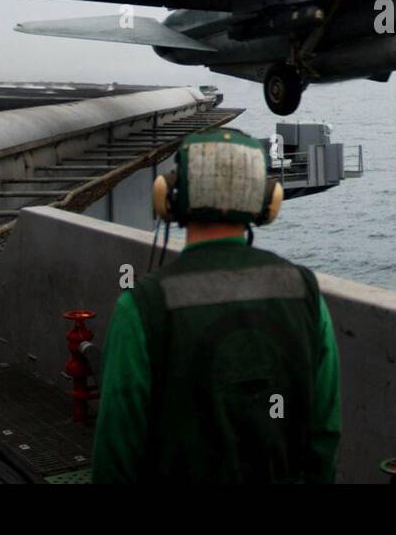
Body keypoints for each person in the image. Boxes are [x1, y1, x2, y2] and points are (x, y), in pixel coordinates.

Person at [92, 127, 341, 483]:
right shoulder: (305, 292)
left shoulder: (141, 307)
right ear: (267, 203)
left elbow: (116, 451)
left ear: (170, 198)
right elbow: (325, 432)